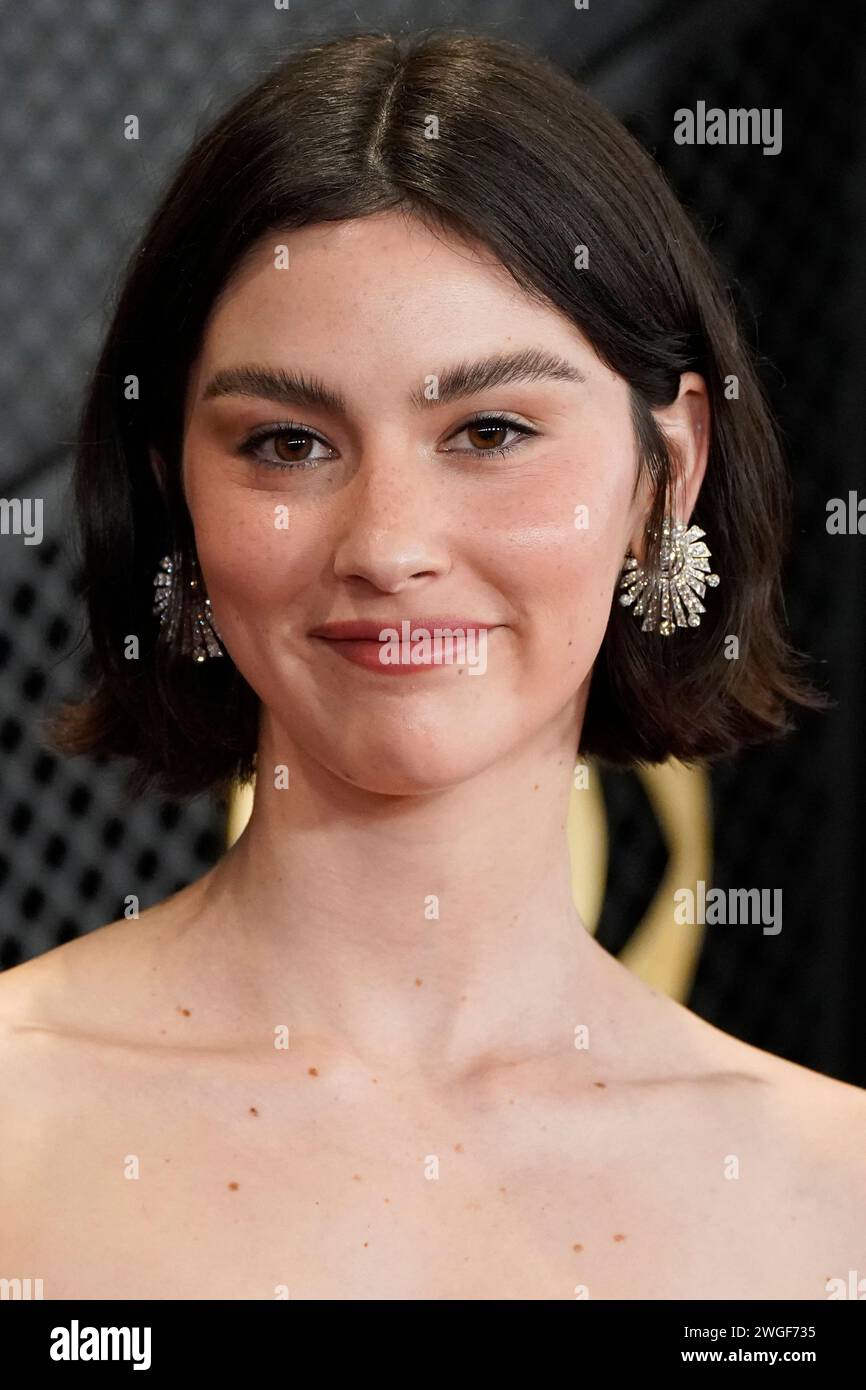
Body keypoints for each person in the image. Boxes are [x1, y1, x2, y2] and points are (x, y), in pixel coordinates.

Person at [1, 28, 863, 1301]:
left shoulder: (827, 1194)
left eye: (491, 431)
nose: (387, 546)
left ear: (664, 472)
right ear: (168, 486)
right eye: (288, 443)